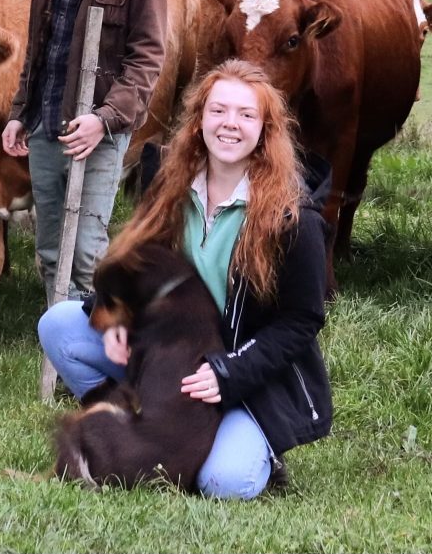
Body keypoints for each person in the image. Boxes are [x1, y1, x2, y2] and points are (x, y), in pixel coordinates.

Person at [39, 61, 333, 498]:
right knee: (60, 325)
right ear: (198, 121)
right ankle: (131, 417)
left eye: (246, 115)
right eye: (218, 111)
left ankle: (253, 454)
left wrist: (229, 372)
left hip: (245, 376)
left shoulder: (293, 217)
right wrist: (117, 318)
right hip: (170, 357)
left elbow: (301, 321)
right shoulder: (170, 186)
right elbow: (132, 264)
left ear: (266, 129)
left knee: (224, 483)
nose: (230, 124)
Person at [2, 0, 168, 302]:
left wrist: (103, 120)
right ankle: (64, 341)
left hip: (98, 128)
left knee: (88, 254)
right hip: (46, 119)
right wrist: (20, 112)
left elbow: (148, 58)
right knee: (51, 249)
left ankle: (97, 356)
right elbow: (40, 41)